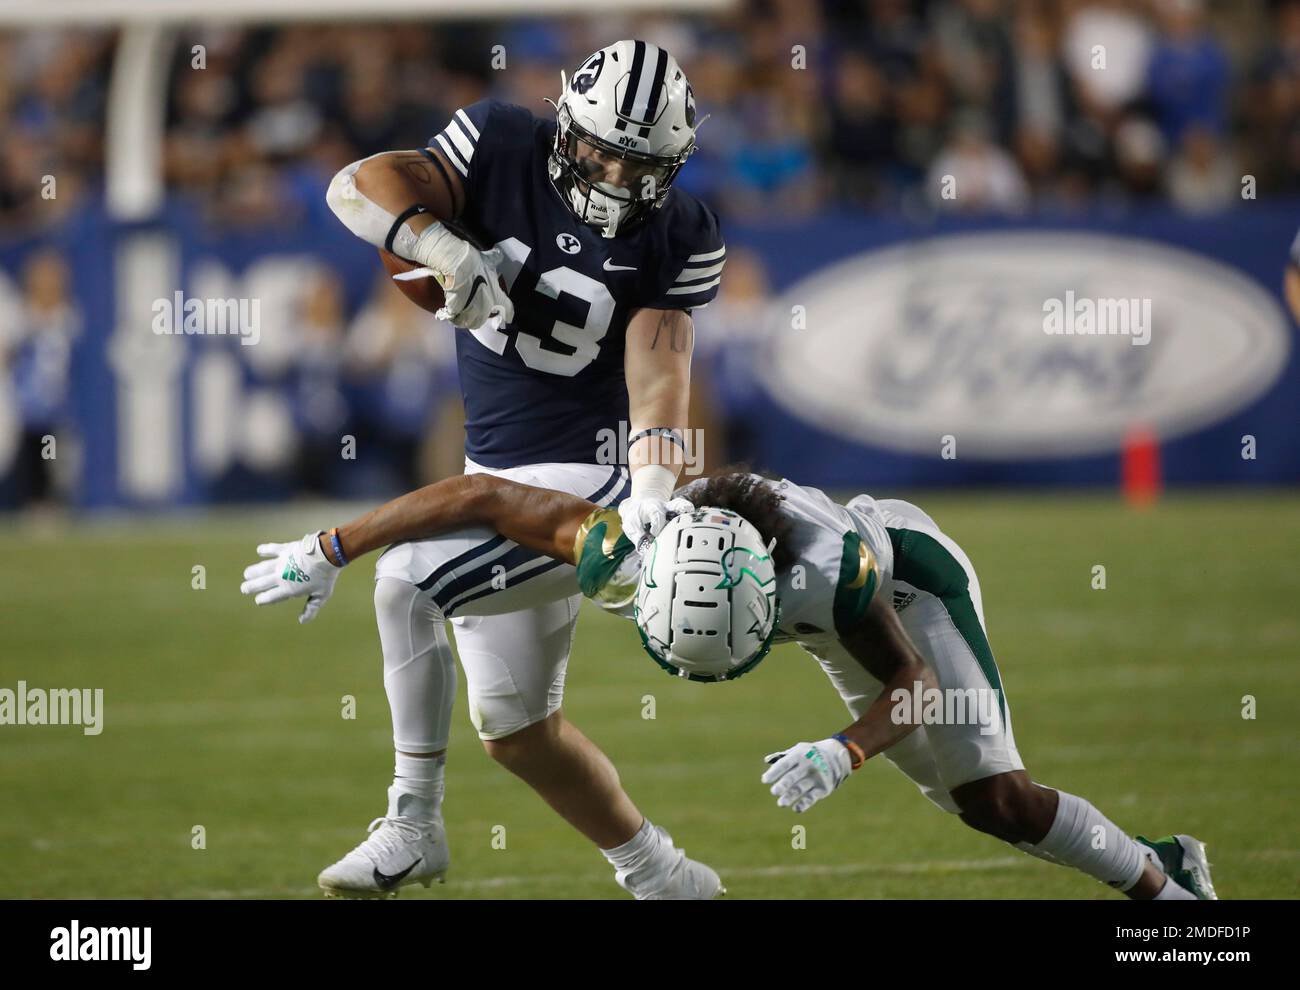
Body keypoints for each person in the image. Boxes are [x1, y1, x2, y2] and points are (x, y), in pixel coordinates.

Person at [243, 468, 1217, 900]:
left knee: (993, 801)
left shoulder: (835, 580)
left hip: (911, 589)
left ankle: (1166, 882)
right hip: (789, 599)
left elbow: (911, 681)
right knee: (974, 803)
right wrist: (333, 545)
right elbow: (479, 497)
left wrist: (844, 750)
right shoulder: (627, 543)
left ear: (766, 616)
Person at [312, 40, 727, 898]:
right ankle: (665, 877)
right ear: (565, 121)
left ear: (674, 161)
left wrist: (652, 488)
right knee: (515, 731)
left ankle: (412, 821)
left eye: (639, 161)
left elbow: (661, 372)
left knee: (404, 583)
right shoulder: (499, 141)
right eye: (603, 148)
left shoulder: (681, 229)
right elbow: (352, 185)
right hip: (494, 461)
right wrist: (436, 243)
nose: (615, 174)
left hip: (592, 474)